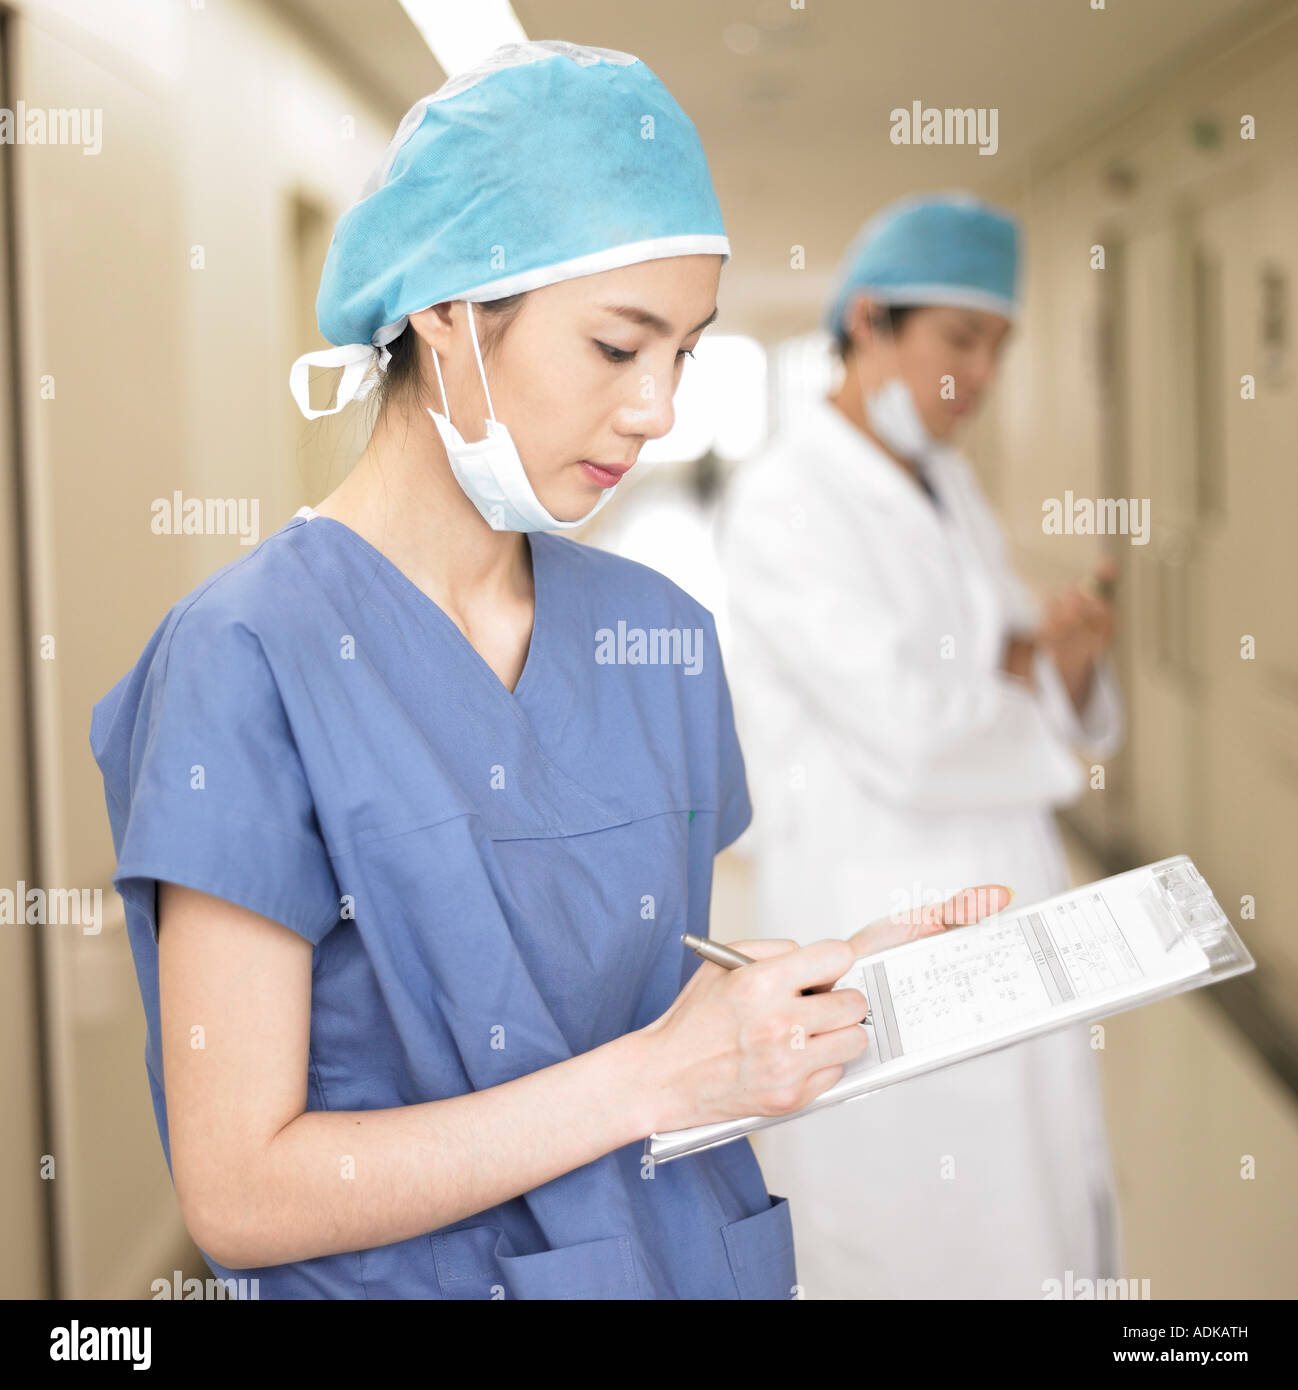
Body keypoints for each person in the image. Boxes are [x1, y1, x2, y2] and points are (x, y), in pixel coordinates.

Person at [89, 47, 1009, 1300]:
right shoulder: (247, 655)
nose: (658, 410)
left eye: (684, 352)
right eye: (617, 346)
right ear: (444, 313)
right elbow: (240, 1191)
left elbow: (604, 972)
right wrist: (651, 1082)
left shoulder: (660, 634)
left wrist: (818, 982)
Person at [718, 192, 1125, 1300]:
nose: (981, 374)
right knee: (912, 1235)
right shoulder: (785, 500)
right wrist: (1015, 679)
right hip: (878, 917)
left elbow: (995, 656)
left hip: (997, 894)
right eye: (958, 337)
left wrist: (1062, 660)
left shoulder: (941, 482)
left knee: (1031, 1205)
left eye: (997, 344)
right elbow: (912, 725)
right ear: (865, 322)